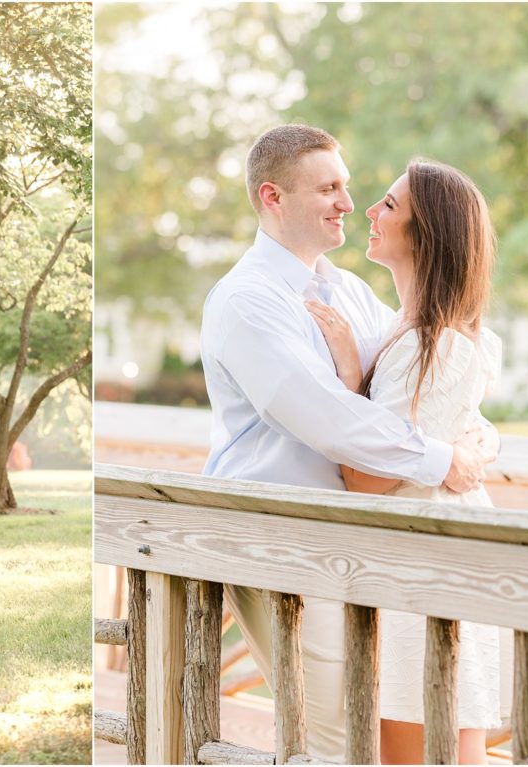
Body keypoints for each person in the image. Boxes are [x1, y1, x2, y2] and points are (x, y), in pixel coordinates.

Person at [199, 125, 499, 762]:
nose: (348, 201)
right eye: (328, 188)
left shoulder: (351, 294)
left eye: (351, 186)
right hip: (284, 545)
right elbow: (330, 419)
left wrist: (477, 438)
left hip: (353, 554)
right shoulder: (249, 300)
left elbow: (431, 386)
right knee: (336, 740)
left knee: (367, 734)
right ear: (274, 197)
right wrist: (447, 459)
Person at [308, 160, 505, 764]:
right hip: (415, 565)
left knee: (428, 739)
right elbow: (459, 430)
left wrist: (346, 384)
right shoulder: (408, 331)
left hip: (427, 570)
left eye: (389, 206)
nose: (368, 209)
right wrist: (354, 372)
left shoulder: (436, 343)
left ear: (427, 235)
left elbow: (367, 478)